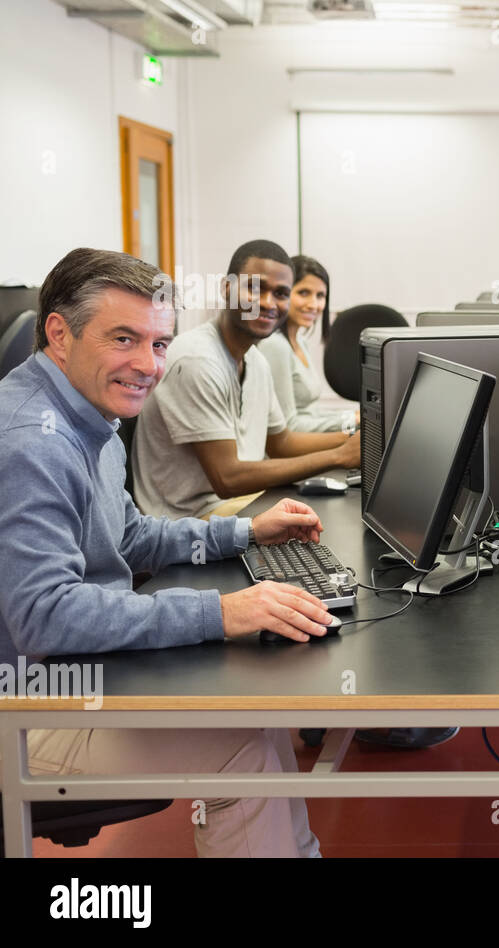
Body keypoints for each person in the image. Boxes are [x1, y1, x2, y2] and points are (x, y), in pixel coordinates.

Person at [0, 247, 342, 857]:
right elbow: (44, 615)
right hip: (26, 708)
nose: (147, 365)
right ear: (59, 333)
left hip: (72, 678)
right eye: (124, 339)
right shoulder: (35, 443)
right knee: (244, 750)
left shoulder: (88, 413)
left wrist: (244, 533)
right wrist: (222, 612)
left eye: (158, 344)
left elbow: (128, 537)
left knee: (258, 714)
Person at [133, 239, 360, 521]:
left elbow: (282, 443)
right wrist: (339, 456)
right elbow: (227, 479)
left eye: (280, 293)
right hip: (189, 523)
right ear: (227, 288)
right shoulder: (196, 360)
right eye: (255, 288)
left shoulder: (255, 360)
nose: (267, 303)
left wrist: (356, 443)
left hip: (238, 505)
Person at [259, 255, 359, 433]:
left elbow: (309, 413)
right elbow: (289, 427)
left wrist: (354, 417)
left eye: (320, 295)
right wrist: (352, 421)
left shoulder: (300, 341)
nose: (314, 304)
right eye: (303, 293)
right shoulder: (275, 346)